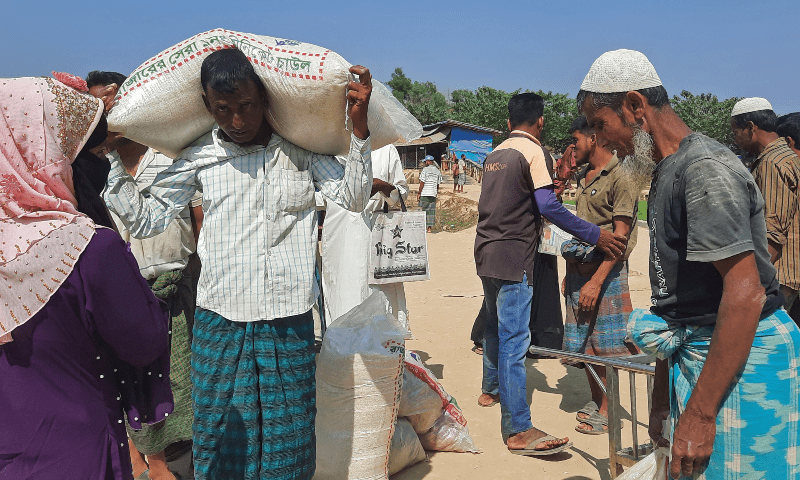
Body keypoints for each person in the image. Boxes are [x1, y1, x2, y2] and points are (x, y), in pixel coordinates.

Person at [103, 48, 374, 480]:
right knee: (220, 430)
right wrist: (112, 159)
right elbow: (146, 219)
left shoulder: (300, 152)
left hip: (287, 318)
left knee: (289, 433)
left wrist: (358, 130)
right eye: (223, 109)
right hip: (220, 320)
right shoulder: (198, 157)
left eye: (246, 105)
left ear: (264, 98)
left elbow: (354, 198)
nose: (237, 120)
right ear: (208, 107)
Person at [576, 49, 799, 479]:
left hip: (744, 365)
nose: (601, 140)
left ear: (635, 106)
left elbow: (745, 292)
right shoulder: (668, 170)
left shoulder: (704, 170)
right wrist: (663, 398)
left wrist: (699, 415)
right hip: (706, 362)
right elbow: (675, 300)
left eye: (601, 124)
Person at [0, 76, 172, 480]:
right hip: (79, 455)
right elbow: (143, 342)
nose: (101, 164)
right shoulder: (88, 248)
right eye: (91, 153)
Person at [474, 92, 627, 456]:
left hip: (485, 251)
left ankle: (490, 389)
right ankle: (518, 429)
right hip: (514, 256)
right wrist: (595, 234)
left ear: (509, 122)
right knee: (515, 340)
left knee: (494, 324)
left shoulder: (495, 154)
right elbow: (547, 205)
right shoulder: (533, 151)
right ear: (540, 121)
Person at [89, 71, 202, 480]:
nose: (105, 117)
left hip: (179, 287)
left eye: (111, 106)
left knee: (183, 382)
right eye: (96, 110)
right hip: (128, 294)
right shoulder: (94, 171)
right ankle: (149, 462)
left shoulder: (171, 157)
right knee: (136, 382)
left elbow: (199, 220)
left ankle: (179, 463)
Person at [562, 115, 639, 435]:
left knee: (607, 346)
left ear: (592, 138)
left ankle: (609, 412)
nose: (572, 147)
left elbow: (620, 238)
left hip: (606, 274)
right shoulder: (584, 176)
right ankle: (598, 401)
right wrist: (572, 274)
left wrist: (595, 281)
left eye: (576, 141)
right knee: (586, 344)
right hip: (581, 272)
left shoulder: (622, 177)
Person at [318, 143, 410, 328]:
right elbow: (315, 196)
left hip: (378, 239)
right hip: (339, 240)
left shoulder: (385, 150)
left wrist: (383, 186)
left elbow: (401, 193)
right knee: (341, 298)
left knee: (380, 301)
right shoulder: (326, 149)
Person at [731, 99, 799, 327]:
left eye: (736, 131)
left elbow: (773, 229)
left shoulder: (772, 162)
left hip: (779, 274)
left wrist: (754, 278)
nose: (735, 139)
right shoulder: (788, 157)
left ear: (751, 128)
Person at [418, 155, 442, 233]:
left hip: (425, 193)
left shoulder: (425, 170)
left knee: (423, 211)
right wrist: (436, 192)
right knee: (431, 211)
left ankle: (423, 227)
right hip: (433, 193)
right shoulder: (437, 171)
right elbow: (438, 184)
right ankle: (429, 229)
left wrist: (419, 193)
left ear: (428, 162)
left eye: (426, 161)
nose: (425, 163)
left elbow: (422, 182)